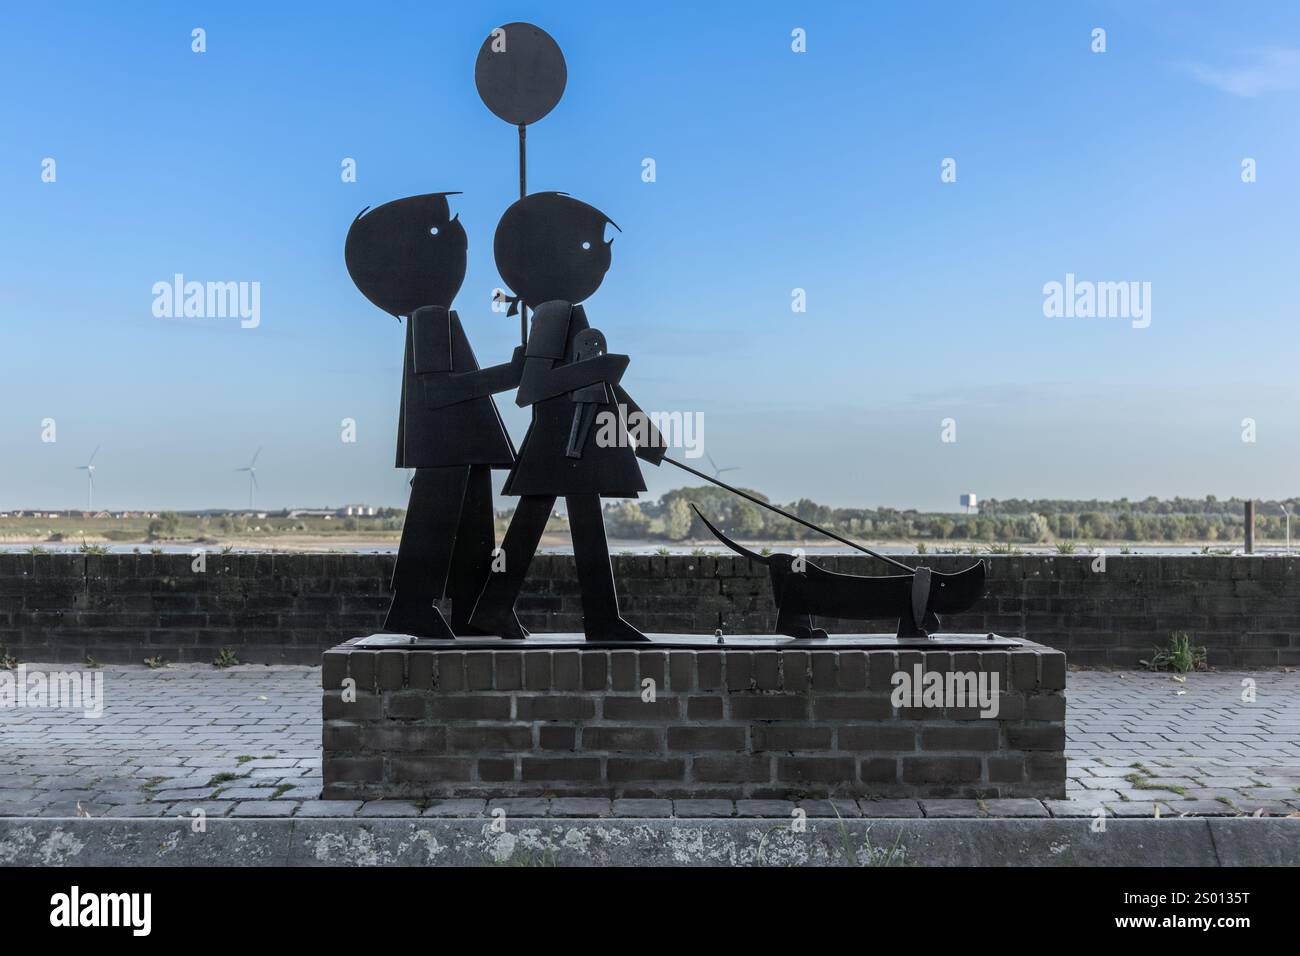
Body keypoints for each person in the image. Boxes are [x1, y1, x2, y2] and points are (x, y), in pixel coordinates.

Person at [470, 192, 664, 642]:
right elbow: (532, 390)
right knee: (560, 522)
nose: (602, 260)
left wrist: (641, 431)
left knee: (549, 521)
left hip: (573, 441)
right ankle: (593, 619)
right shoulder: (555, 313)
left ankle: (503, 608)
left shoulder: (566, 312)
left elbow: (598, 380)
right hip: (563, 439)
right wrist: (604, 378)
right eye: (585, 247)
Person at [345, 192, 524, 637]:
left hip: (462, 443)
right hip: (447, 443)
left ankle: (472, 606)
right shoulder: (429, 321)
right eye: (444, 237)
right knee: (434, 520)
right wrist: (510, 373)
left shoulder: (438, 317)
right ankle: (411, 605)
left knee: (473, 525)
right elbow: (440, 391)